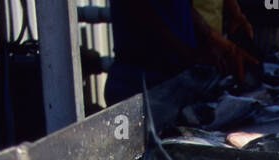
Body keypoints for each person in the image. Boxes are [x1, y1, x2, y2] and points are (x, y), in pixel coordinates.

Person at [104, 0, 255, 104]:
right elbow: (141, 10)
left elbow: (181, 6)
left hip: (175, 82)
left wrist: (213, 39)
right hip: (140, 84)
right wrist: (190, 54)